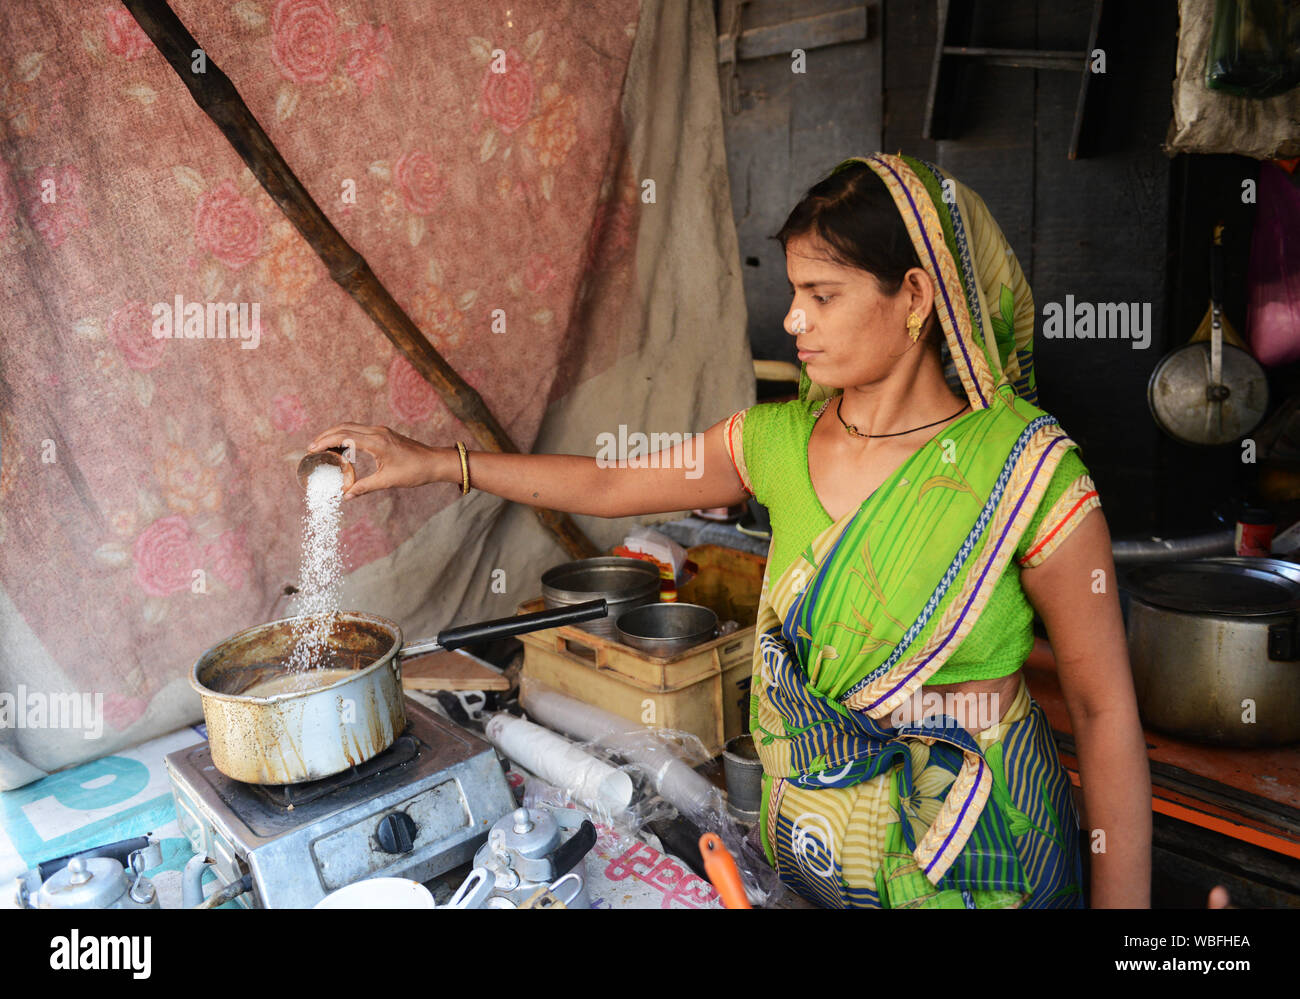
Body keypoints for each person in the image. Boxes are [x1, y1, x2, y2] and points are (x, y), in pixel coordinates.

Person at [309, 153, 1157, 908]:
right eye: (794, 293)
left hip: (980, 860)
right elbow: (607, 480)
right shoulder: (776, 442)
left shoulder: (1027, 474)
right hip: (813, 859)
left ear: (915, 297)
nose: (793, 321)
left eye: (822, 296)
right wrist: (437, 463)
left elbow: (1102, 705)